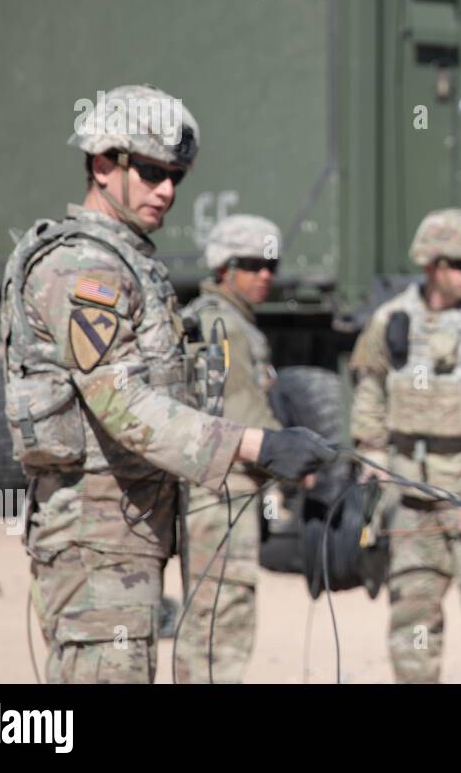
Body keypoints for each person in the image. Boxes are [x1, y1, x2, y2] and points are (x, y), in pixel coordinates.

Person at [1, 84, 334, 683]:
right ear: (103, 165)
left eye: (176, 175)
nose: (168, 191)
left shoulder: (131, 262)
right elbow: (120, 402)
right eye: (152, 171)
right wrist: (255, 445)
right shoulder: (84, 268)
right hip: (94, 540)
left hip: (128, 534)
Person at [349, 209, 461, 683]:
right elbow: (369, 388)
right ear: (430, 264)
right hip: (412, 506)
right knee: (412, 635)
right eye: (458, 263)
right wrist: (373, 461)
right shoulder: (391, 321)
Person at [175, 213, 286, 683]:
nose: (265, 275)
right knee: (222, 621)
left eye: (271, 266)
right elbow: (246, 422)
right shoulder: (227, 326)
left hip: (216, 491)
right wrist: (297, 457)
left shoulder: (219, 317)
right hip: (222, 493)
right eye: (252, 264)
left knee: (208, 617)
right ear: (224, 267)